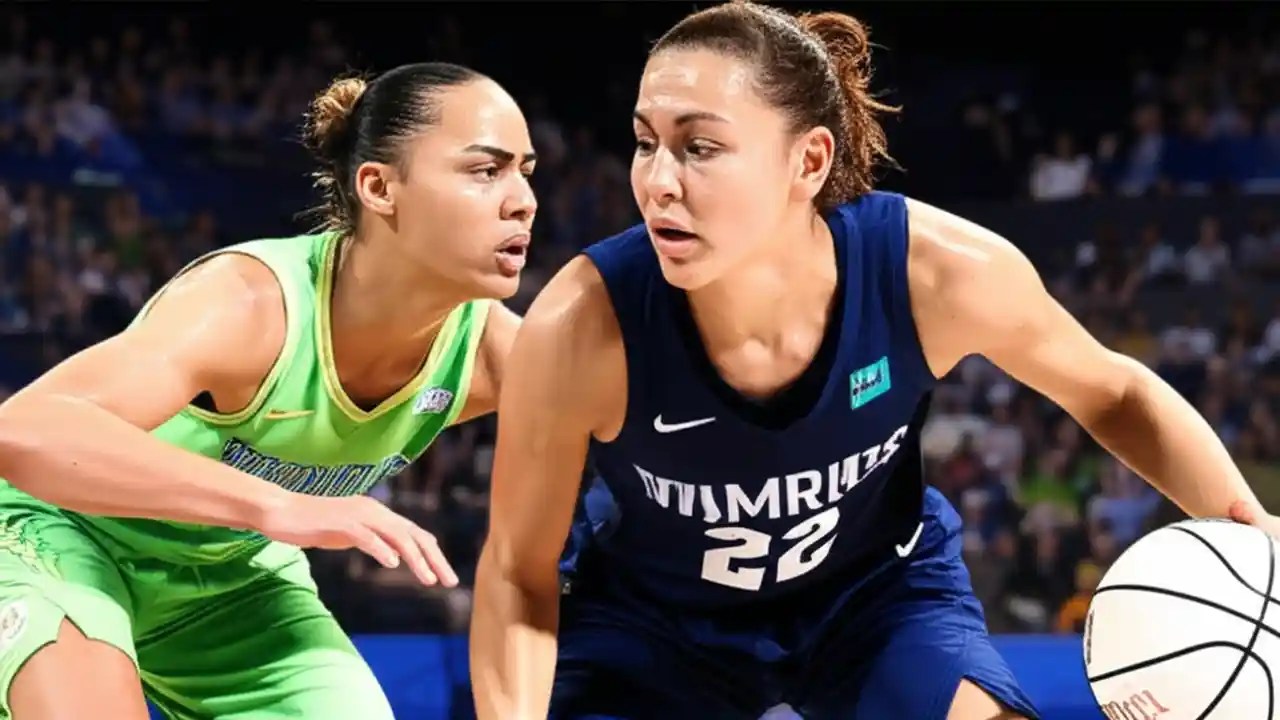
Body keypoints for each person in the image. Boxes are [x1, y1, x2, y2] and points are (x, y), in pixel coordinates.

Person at [469, 3, 1273, 719]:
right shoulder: (581, 326)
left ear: (808, 162)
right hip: (654, 623)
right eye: (646, 143)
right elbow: (516, 570)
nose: (658, 182)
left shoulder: (935, 271)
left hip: (876, 598)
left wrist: (1257, 532)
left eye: (700, 147)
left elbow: (1114, 392)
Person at [0, 61, 537, 720]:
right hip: (61, 531)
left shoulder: (500, 358)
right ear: (379, 187)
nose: (522, 200)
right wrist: (275, 507)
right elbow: (25, 429)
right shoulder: (250, 305)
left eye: (526, 172)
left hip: (231, 577)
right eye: (486, 171)